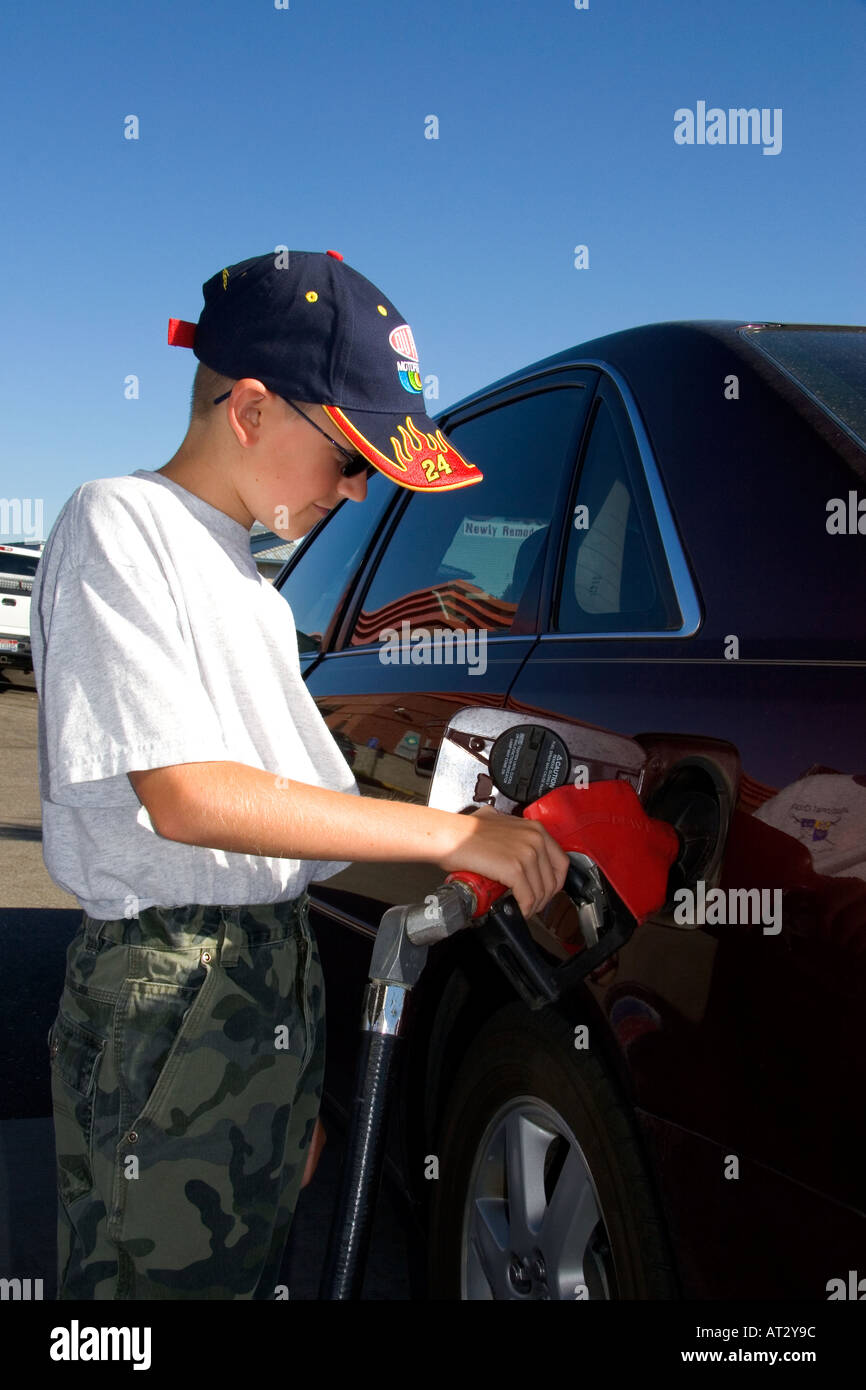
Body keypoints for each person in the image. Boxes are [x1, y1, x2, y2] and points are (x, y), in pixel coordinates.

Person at [30, 248, 570, 1301]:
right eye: (349, 456)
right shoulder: (119, 523)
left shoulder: (249, 583)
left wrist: (282, 1077)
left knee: (241, 1264)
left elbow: (290, 804)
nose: (360, 489)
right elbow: (187, 794)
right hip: (170, 978)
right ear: (250, 410)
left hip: (255, 977)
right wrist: (453, 839)